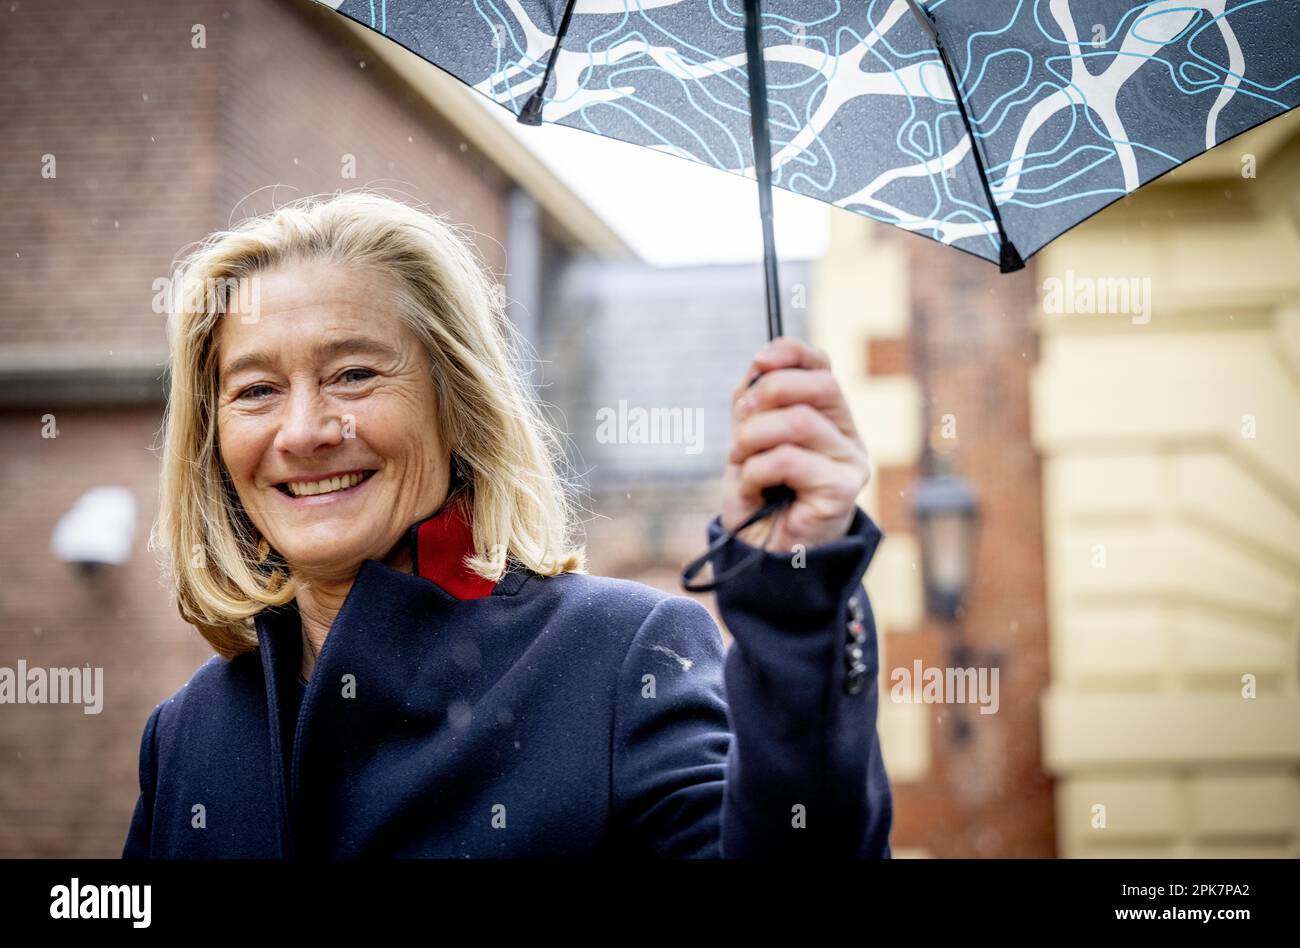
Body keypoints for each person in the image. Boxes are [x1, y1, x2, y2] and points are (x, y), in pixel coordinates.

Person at [122, 191, 892, 858]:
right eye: (255, 390)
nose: (302, 431)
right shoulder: (187, 735)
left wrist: (797, 616)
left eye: (354, 374)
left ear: (455, 404)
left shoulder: (621, 659)